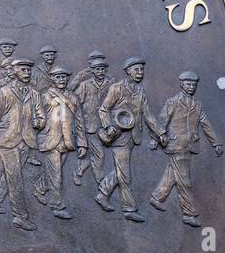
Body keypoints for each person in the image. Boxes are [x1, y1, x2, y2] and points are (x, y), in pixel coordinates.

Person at [95, 57, 167, 222]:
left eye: (142, 70)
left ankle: (102, 193)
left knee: (120, 170)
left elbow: (148, 116)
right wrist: (108, 126)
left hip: (132, 136)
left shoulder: (140, 92)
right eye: (136, 69)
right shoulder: (117, 88)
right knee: (125, 174)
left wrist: (160, 133)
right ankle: (129, 209)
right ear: (127, 71)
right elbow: (103, 109)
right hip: (117, 136)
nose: (140, 73)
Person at [150, 71, 223, 227]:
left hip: (189, 146)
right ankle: (188, 214)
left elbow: (206, 124)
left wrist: (216, 143)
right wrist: (156, 139)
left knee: (172, 175)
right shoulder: (173, 102)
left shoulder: (197, 105)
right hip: (175, 145)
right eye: (188, 84)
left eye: (194, 85)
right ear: (181, 84)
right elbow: (161, 121)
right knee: (185, 181)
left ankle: (157, 197)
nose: (191, 87)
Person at [0, 56, 45, 231]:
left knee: (11, 175)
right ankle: (20, 216)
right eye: (23, 69)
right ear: (14, 71)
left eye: (28, 70)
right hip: (7, 141)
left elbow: (41, 117)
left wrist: (38, 123)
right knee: (15, 178)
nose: (27, 73)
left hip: (26, 141)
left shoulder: (34, 94)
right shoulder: (4, 92)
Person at [36, 65, 88, 219]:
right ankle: (57, 206)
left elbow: (79, 122)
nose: (61, 79)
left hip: (67, 141)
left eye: (64, 77)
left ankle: (39, 188)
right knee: (56, 175)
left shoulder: (73, 98)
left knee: (53, 172)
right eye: (58, 77)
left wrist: (83, 143)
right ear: (53, 78)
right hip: (50, 139)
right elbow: (38, 116)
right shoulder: (46, 96)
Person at [69, 52, 111, 189]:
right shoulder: (85, 85)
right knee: (98, 154)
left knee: (94, 154)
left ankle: (79, 171)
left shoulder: (111, 83)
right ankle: (101, 181)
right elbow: (75, 103)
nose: (100, 71)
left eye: (103, 69)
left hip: (103, 125)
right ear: (92, 70)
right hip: (88, 124)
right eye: (98, 69)